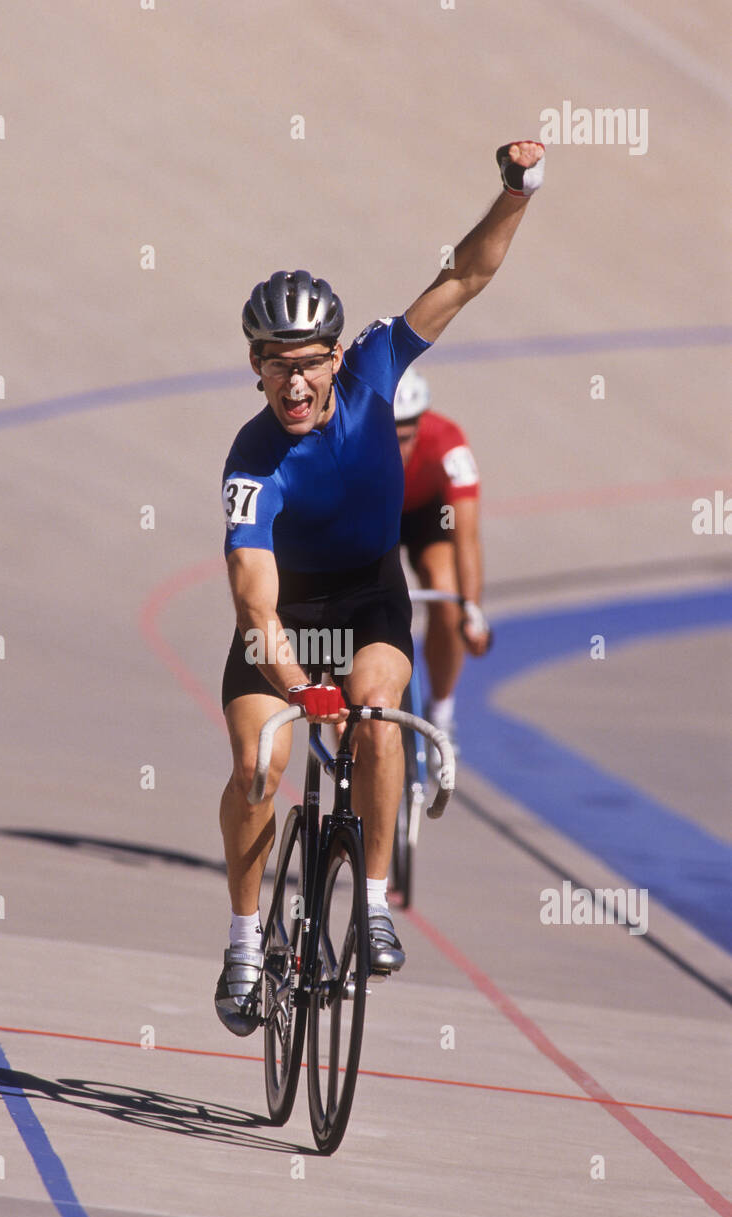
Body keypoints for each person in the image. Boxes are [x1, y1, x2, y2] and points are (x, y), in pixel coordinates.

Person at [216, 142, 544, 1035]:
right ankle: (246, 942)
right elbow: (254, 603)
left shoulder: (374, 371)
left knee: (378, 718)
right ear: (255, 367)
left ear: (335, 357)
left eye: (311, 360)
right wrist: (295, 688)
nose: (297, 379)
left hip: (366, 599)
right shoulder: (252, 460)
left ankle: (370, 898)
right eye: (277, 362)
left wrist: (516, 192)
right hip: (284, 620)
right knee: (260, 766)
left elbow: (465, 277)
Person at [395, 367, 492, 750]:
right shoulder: (352, 437)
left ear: (421, 426)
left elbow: (465, 538)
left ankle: (442, 714)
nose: (396, 450)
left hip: (427, 518)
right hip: (374, 515)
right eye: (387, 437)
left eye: (405, 438)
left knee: (445, 591)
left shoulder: (448, 443)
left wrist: (472, 610)